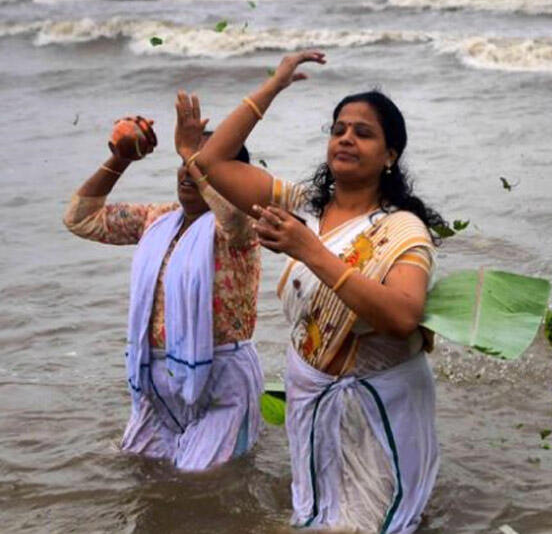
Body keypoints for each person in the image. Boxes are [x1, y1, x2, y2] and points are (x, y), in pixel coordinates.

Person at [186, 50, 443, 533]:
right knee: (316, 517)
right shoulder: (305, 206)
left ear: (390, 156)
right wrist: (274, 84)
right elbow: (211, 161)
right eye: (338, 128)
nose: (346, 138)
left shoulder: (403, 229)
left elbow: (403, 317)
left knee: (375, 521)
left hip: (379, 405)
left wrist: (312, 252)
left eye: (363, 133)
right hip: (313, 396)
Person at [61, 96, 262, 471]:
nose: (188, 172)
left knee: (204, 485)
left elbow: (232, 213)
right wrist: (120, 159)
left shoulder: (239, 227)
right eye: (185, 163)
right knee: (146, 478)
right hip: (157, 383)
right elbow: (79, 218)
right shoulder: (158, 218)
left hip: (219, 382)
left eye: (202, 165)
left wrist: (190, 150)